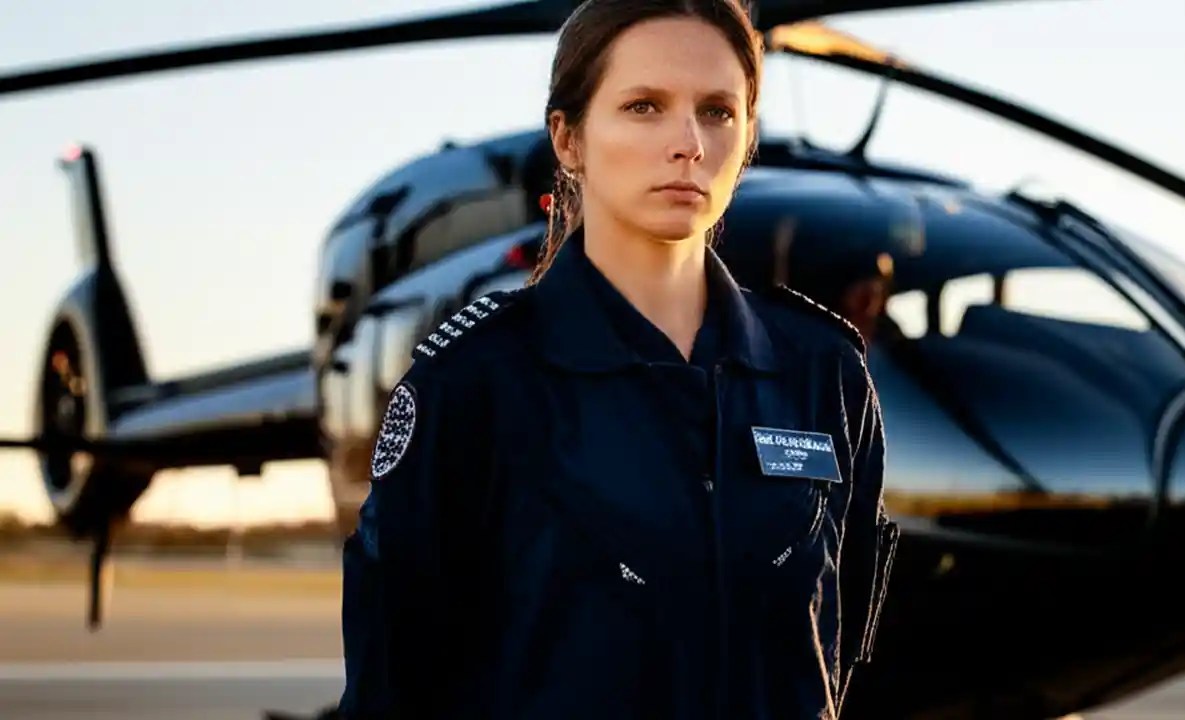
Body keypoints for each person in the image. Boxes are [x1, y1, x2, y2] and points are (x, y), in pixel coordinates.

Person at [338, 1, 898, 718]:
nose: (689, 143)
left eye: (718, 112)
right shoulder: (476, 383)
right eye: (644, 107)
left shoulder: (824, 375)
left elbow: (838, 650)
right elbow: (392, 682)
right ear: (568, 139)